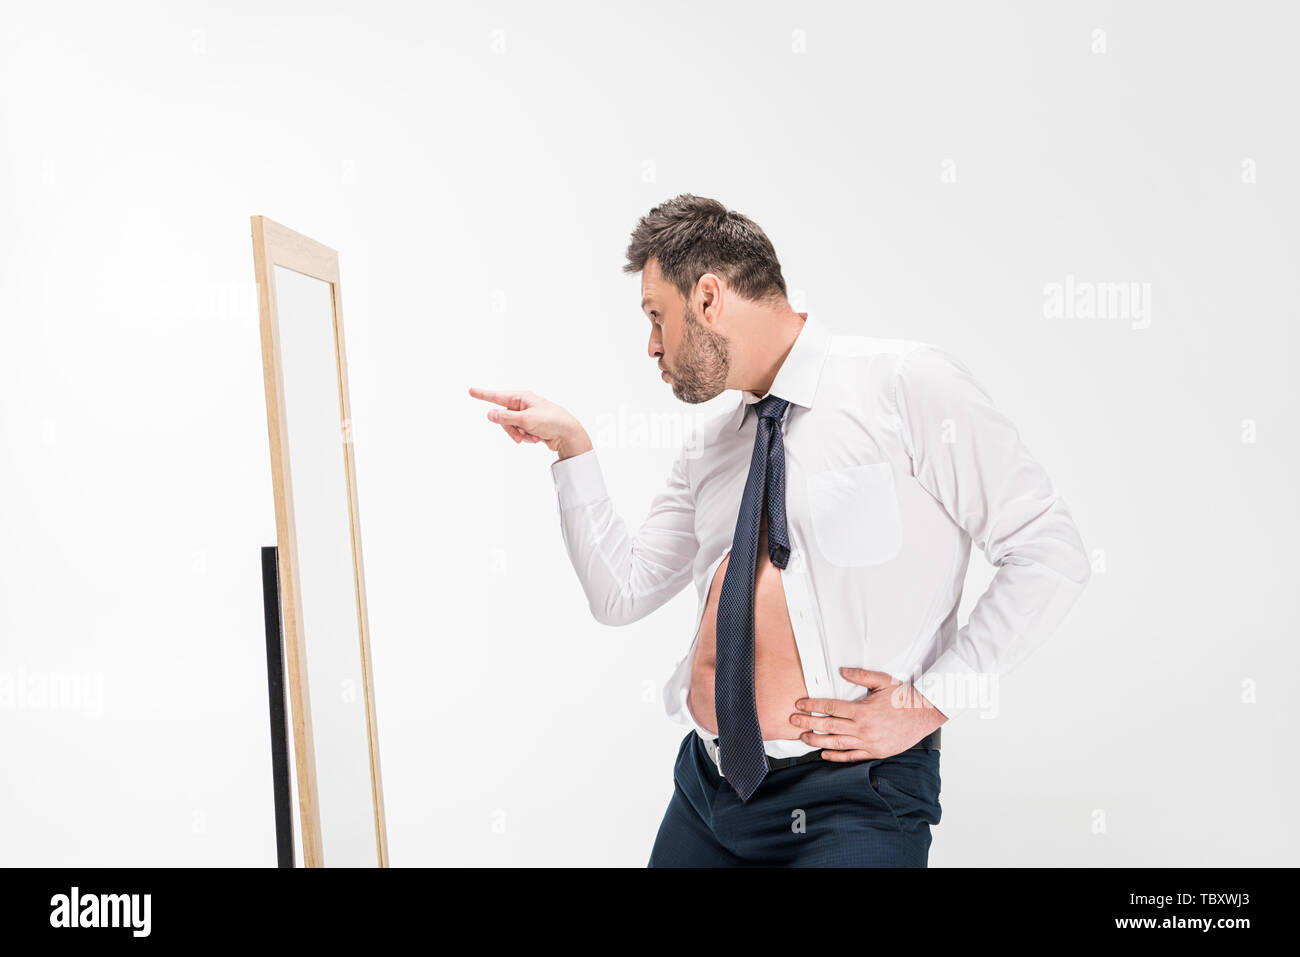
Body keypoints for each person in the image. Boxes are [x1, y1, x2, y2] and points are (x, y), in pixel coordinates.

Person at [469, 193, 1091, 867]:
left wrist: (932, 700)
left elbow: (1048, 551)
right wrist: (574, 451)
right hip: (707, 795)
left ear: (708, 298)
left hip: (854, 799)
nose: (652, 346)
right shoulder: (710, 448)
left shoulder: (904, 385)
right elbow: (621, 594)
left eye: (657, 317)